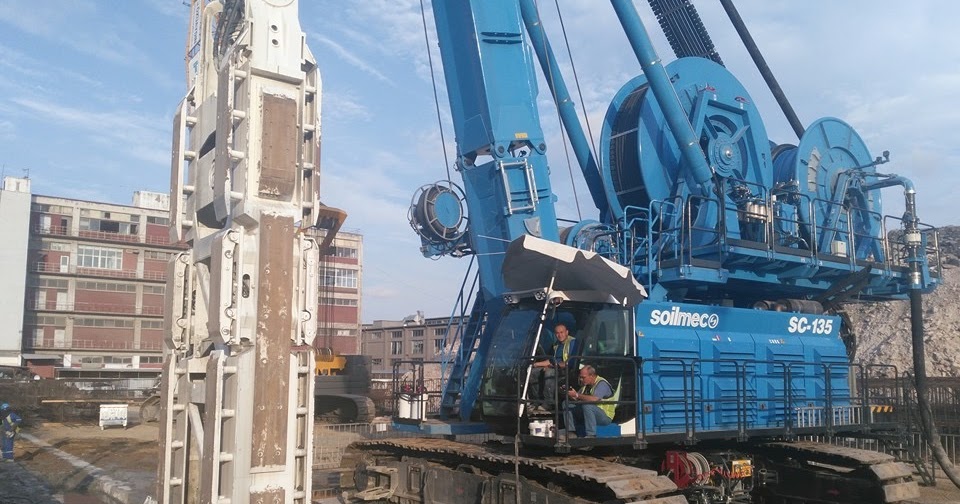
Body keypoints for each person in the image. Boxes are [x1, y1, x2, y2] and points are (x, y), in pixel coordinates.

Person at [532, 323, 576, 410]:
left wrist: (552, 366)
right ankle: (537, 400)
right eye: (557, 333)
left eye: (561, 332)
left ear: (567, 332)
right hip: (555, 366)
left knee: (549, 372)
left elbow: (570, 362)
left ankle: (549, 403)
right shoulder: (556, 345)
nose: (559, 335)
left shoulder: (572, 342)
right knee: (533, 372)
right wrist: (535, 364)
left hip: (566, 370)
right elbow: (551, 360)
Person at [564, 365, 614, 438]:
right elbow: (577, 399)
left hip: (605, 416)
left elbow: (594, 399)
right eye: (580, 377)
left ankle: (591, 434)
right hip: (589, 413)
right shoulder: (585, 386)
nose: (581, 379)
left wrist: (577, 395)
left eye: (583, 377)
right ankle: (571, 432)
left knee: (587, 406)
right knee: (567, 404)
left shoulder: (602, 384)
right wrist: (570, 394)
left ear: (592, 376)